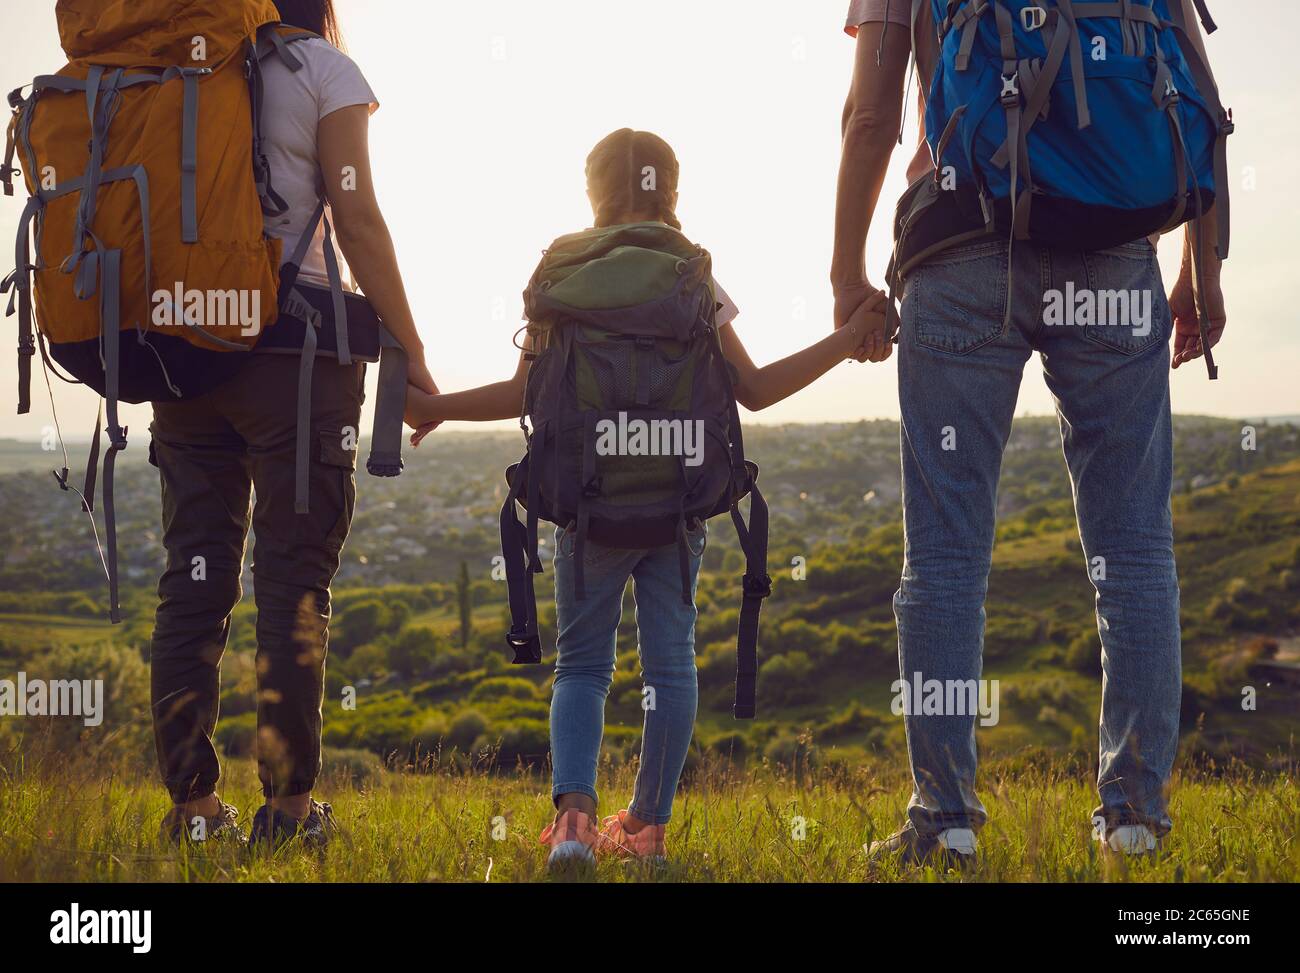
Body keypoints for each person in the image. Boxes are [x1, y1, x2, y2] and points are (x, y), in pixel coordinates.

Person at [405, 128, 881, 869]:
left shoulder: (562, 273)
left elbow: (521, 392)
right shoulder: (692, 276)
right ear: (673, 192)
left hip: (590, 504)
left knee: (584, 667)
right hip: (675, 502)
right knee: (671, 667)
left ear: (593, 193)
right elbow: (753, 390)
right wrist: (846, 339)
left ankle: (572, 826)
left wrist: (438, 407)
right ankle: (649, 830)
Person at [832, 0, 1229, 864]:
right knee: (1133, 551)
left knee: (943, 555)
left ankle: (947, 821)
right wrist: (1205, 269)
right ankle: (1132, 818)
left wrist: (846, 275)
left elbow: (870, 118)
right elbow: (1200, 99)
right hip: (1117, 252)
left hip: (958, 244)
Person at [151, 0, 436, 848]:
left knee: (193, 578)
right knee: (292, 583)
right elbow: (358, 217)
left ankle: (194, 809)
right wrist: (410, 349)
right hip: (295, 358)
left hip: (182, 348)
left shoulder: (176, 65)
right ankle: (286, 810)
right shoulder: (320, 68)